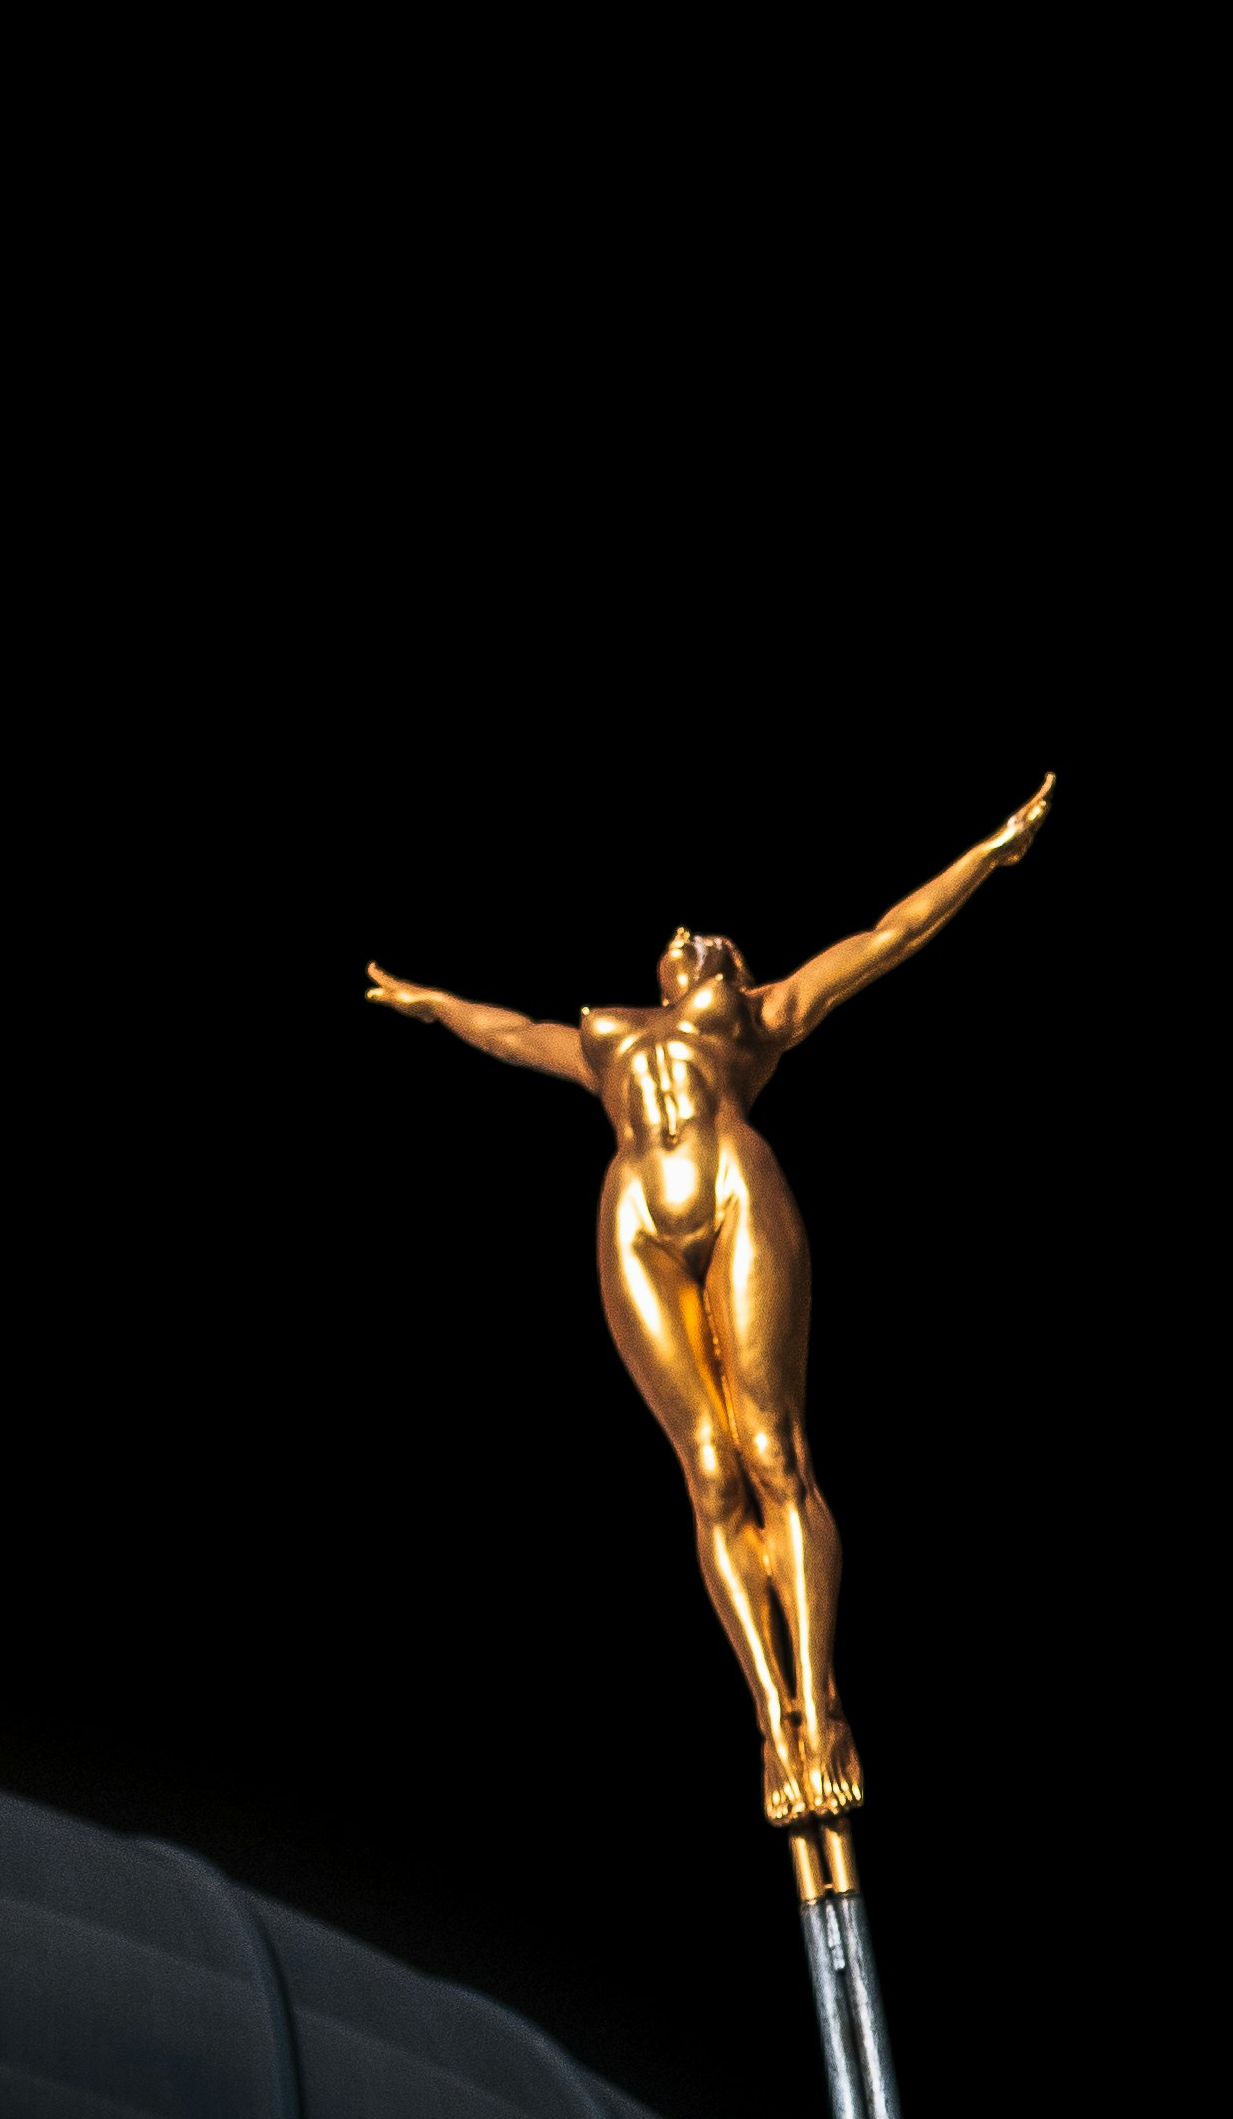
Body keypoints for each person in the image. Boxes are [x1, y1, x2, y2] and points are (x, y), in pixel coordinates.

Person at [367, 781, 1048, 1831]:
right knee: (711, 1468)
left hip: (733, 1186)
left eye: (706, 934)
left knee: (776, 1452)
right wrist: (428, 1004)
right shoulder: (605, 1041)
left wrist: (990, 853)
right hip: (632, 1209)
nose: (689, 932)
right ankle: (772, 1719)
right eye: (680, 933)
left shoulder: (764, 1013)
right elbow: (508, 1033)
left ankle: (821, 1702)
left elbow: (889, 933)